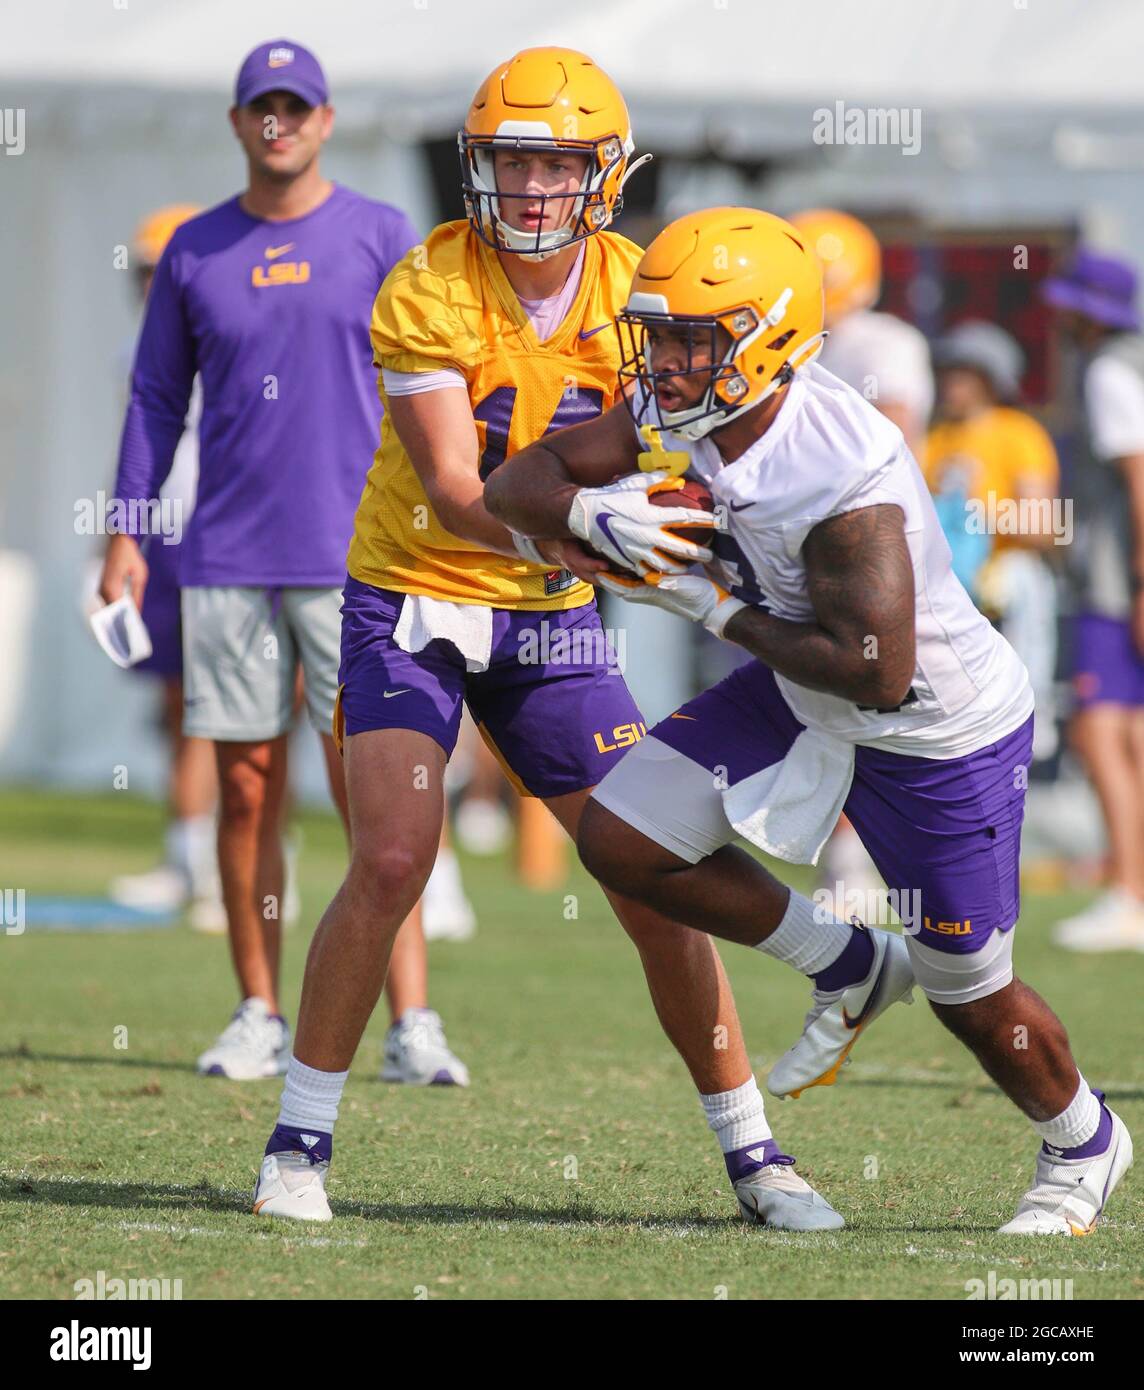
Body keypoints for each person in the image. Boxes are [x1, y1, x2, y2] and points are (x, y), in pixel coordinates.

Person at [252, 49, 842, 1232]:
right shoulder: (426, 285)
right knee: (391, 858)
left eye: (557, 163)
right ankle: (297, 1140)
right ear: (481, 165)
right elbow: (461, 487)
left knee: (649, 870)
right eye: (514, 159)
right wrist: (588, 524)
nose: (531, 188)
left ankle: (754, 1153)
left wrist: (698, 529)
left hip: (549, 619)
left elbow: (709, 450)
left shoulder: (641, 293)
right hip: (415, 593)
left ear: (602, 175)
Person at [488, 207, 1133, 1237]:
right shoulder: (683, 410)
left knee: (968, 996)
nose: (665, 359)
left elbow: (876, 673)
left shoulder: (839, 472)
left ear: (766, 342)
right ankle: (842, 961)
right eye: (657, 333)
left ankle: (1085, 1141)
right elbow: (514, 482)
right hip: (799, 685)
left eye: (692, 337)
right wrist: (583, 513)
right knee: (621, 837)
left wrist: (708, 605)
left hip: (931, 728)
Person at [100, 39, 467, 1085]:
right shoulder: (193, 249)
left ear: (324, 118)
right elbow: (155, 400)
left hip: (363, 558)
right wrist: (127, 531)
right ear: (237, 123)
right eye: (261, 106)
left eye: (295, 105)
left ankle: (414, 1022)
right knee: (247, 791)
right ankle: (258, 1007)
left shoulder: (383, 235)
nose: (279, 122)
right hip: (226, 556)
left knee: (376, 800)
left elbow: (437, 380)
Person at [791, 208, 935, 895]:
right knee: (831, 706)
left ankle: (863, 860)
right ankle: (851, 855)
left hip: (873, 548)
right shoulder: (818, 343)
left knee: (867, 702)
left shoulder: (877, 342)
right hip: (821, 546)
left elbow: (894, 433)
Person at [106, 204, 224, 933]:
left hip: (223, 536)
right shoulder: (140, 350)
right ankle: (189, 856)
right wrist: (116, 536)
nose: (152, 287)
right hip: (163, 536)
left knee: (230, 706)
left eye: (162, 272)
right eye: (145, 273)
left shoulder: (227, 337)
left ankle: (232, 863)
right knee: (177, 706)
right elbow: (137, 447)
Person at [1042, 249, 1144, 950]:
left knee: (1100, 733)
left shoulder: (1109, 370)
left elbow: (1140, 484)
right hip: (1121, 582)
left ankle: (1127, 893)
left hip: (1116, 587)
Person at [925, 320, 1062, 760]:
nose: (951, 382)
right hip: (951, 591)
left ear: (990, 379)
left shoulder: (1018, 432)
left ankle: (1033, 714)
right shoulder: (934, 440)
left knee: (1019, 577)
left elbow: (1047, 529)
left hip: (1005, 588)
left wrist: (977, 512)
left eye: (964, 372)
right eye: (948, 370)